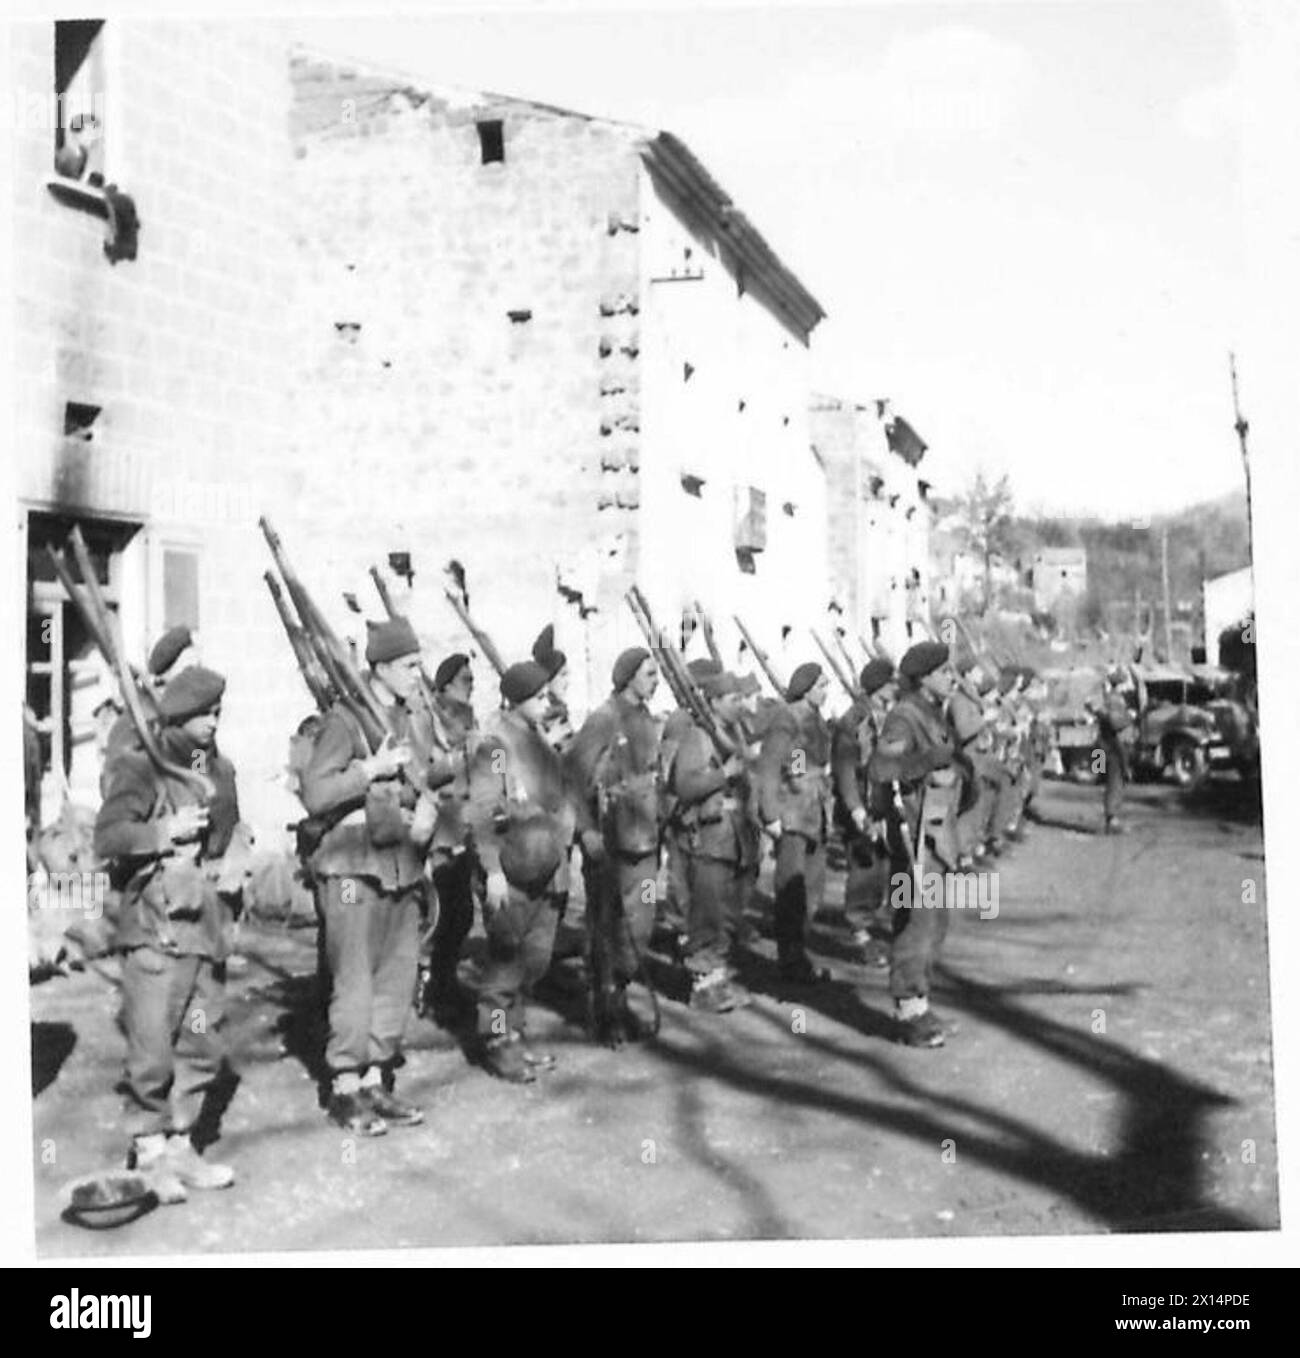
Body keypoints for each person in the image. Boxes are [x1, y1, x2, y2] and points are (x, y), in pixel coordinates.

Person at [94, 665, 240, 1201]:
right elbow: (108, 837)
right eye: (205, 713)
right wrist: (162, 832)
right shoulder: (142, 767)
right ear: (177, 715)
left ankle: (181, 1144)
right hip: (154, 932)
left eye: (218, 712)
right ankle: (149, 1150)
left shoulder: (218, 769)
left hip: (204, 927)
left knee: (200, 1038)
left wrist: (235, 860)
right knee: (152, 1044)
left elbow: (231, 831)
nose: (213, 721)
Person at [297, 617, 439, 1135]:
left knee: (395, 976)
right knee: (353, 978)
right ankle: (344, 1085)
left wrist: (429, 807)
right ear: (379, 668)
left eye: (417, 663)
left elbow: (427, 775)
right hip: (352, 863)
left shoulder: (409, 718)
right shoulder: (344, 719)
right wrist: (369, 773)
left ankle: (376, 1077)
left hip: (401, 863)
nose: (416, 673)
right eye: (407, 665)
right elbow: (315, 795)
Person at [466, 660, 579, 1081]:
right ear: (518, 700)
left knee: (532, 962)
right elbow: (479, 813)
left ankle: (514, 1034)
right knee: (503, 968)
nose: (547, 702)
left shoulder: (539, 742)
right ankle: (496, 1040)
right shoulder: (494, 747)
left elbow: (560, 798)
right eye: (540, 696)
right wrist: (491, 871)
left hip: (544, 868)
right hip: (510, 872)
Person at [567, 647, 663, 1045]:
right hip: (610, 840)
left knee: (641, 924)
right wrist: (586, 830)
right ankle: (606, 1010)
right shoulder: (604, 719)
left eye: (656, 673)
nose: (655, 680)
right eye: (649, 673)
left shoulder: (645, 718)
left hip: (645, 841)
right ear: (627, 678)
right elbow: (571, 776)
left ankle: (619, 994)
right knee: (606, 925)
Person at [867, 641, 958, 1048]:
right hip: (911, 834)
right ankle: (908, 1009)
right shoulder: (904, 718)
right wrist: (929, 763)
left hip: (935, 831)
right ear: (923, 679)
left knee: (935, 920)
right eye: (943, 672)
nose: (951, 678)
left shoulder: (931, 713)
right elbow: (882, 768)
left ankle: (920, 1000)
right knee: (916, 921)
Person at [667, 669, 756, 1011]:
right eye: (733, 700)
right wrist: (724, 774)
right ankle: (702, 985)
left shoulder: (731, 731)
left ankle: (717, 977)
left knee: (725, 912)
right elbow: (685, 785)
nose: (739, 705)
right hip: (709, 836)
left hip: (734, 834)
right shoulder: (697, 737)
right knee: (707, 914)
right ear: (715, 701)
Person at [755, 661, 834, 985]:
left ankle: (799, 950)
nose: (826, 692)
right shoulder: (787, 719)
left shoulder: (814, 719)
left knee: (812, 886)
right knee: (791, 886)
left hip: (815, 807)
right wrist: (771, 813)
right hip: (792, 812)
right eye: (821, 686)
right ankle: (789, 957)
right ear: (806, 688)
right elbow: (770, 766)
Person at [420, 651, 479, 1026]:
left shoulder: (469, 718)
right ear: (444, 686)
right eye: (465, 681)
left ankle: (445, 979)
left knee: (462, 914)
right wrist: (459, 759)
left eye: (473, 680)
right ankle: (428, 983)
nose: (472, 687)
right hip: (438, 829)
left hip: (463, 826)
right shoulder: (431, 717)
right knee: (438, 913)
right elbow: (426, 770)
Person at [831, 657, 896, 963]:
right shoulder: (853, 721)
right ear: (880, 687)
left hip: (885, 803)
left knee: (883, 869)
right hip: (862, 804)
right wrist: (856, 809)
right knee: (865, 870)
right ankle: (859, 932)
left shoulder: (888, 715)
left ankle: (873, 923)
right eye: (891, 682)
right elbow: (844, 768)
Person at [1090, 666, 1137, 834]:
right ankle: (1112, 819)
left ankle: (1109, 817)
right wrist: (1130, 717)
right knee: (1115, 783)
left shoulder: (1107, 699)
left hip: (1104, 746)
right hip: (1114, 748)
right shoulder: (1115, 700)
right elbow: (1115, 723)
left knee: (1109, 781)